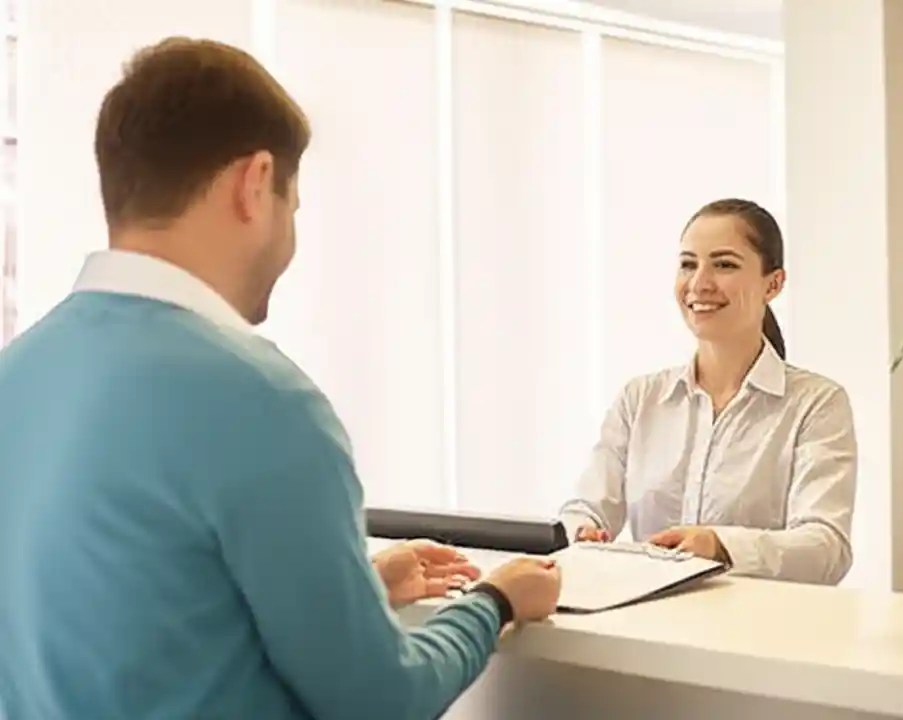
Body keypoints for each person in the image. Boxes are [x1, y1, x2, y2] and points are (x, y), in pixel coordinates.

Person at [0, 38, 560, 720]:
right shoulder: (261, 399)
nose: (291, 235)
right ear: (255, 183)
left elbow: (141, 624)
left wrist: (354, 594)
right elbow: (381, 699)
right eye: (294, 205)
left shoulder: (18, 375)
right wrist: (494, 602)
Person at [559, 199, 857, 586]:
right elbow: (586, 508)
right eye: (688, 264)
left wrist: (719, 546)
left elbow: (826, 550)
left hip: (760, 634)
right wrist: (582, 531)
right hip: (644, 627)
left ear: (774, 284)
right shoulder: (640, 399)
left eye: (724, 264)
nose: (700, 282)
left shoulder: (817, 404)